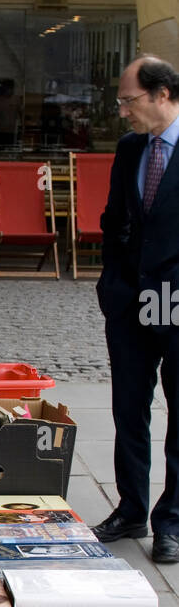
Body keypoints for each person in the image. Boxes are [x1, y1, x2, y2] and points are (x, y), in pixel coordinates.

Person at [95, 56, 179, 564]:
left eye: (130, 100)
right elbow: (113, 220)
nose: (123, 111)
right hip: (129, 298)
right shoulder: (130, 149)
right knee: (129, 406)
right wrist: (112, 283)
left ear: (163, 94)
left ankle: (172, 522)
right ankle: (131, 509)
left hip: (176, 295)